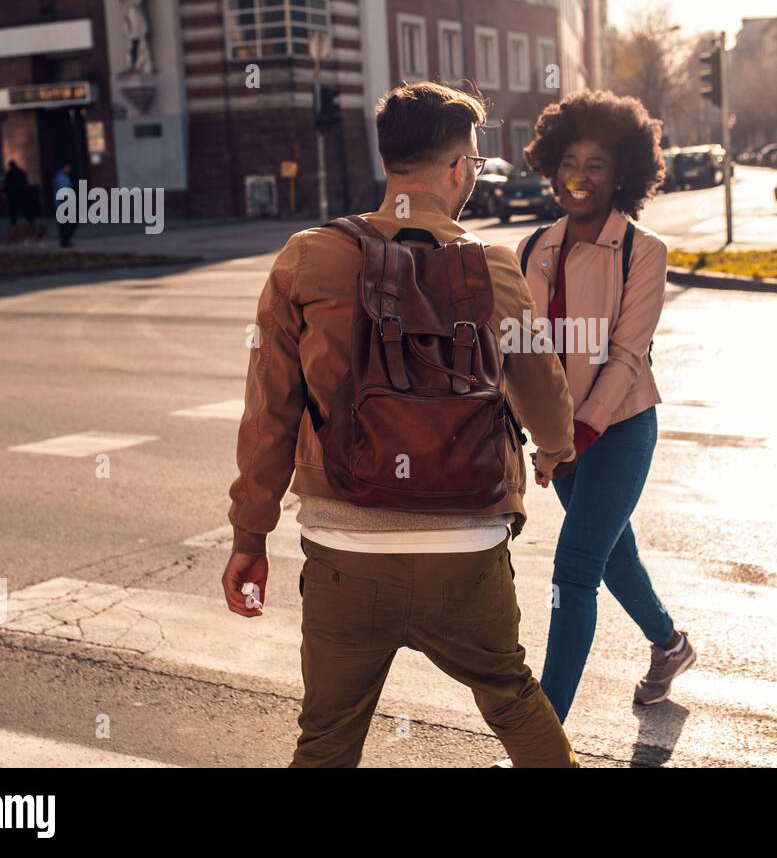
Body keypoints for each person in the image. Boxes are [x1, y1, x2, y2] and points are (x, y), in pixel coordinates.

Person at [223, 81, 582, 768]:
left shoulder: (307, 257)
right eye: (472, 165)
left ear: (389, 163)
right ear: (456, 170)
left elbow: (268, 415)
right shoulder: (494, 266)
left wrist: (250, 535)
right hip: (467, 550)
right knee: (511, 696)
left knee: (325, 741)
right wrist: (555, 451)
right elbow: (545, 395)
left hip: (345, 549)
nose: (471, 176)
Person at [517, 90, 693, 724]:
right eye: (569, 160)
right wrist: (529, 430)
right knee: (613, 553)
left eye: (597, 163)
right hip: (560, 435)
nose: (580, 176)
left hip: (617, 427)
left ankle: (541, 737)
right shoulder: (534, 247)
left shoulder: (641, 251)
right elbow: (522, 348)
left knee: (576, 566)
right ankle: (670, 646)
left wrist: (576, 436)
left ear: (623, 173)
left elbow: (624, 356)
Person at [4, 160, 32, 245]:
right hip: (22, 197)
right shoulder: (21, 173)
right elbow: (25, 184)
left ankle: (14, 229)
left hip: (14, 198)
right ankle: (31, 225)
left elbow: (7, 187)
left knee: (14, 215)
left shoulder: (9, 175)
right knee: (26, 212)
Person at [52, 163, 76, 248]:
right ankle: (65, 240)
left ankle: (64, 240)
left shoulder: (60, 176)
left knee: (64, 224)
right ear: (64, 168)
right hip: (63, 203)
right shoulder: (61, 178)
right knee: (69, 222)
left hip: (60, 203)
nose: (69, 169)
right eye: (68, 167)